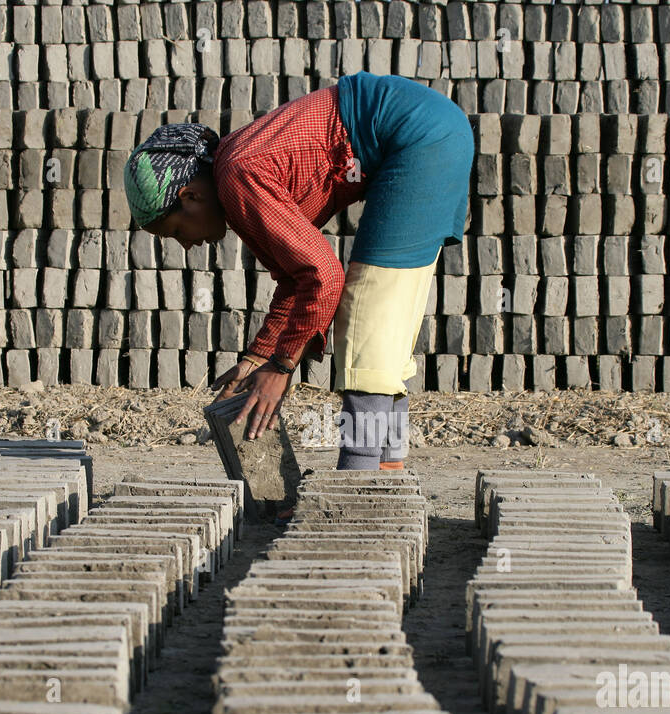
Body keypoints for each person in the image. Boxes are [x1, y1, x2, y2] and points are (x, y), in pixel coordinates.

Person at [123, 71, 474, 471]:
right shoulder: (235, 175)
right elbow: (297, 280)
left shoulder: (239, 177)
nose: (185, 244)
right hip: (434, 131)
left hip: (419, 140)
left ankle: (355, 486)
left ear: (191, 196)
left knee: (365, 320)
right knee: (385, 329)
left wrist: (282, 368)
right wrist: (258, 358)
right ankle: (385, 475)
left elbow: (324, 275)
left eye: (175, 231)